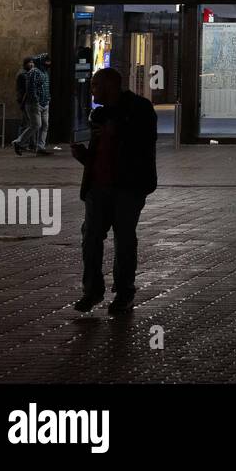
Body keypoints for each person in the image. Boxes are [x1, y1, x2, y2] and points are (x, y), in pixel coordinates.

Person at [69, 67, 157, 314]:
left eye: (96, 84)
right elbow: (101, 154)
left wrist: (117, 132)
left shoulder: (139, 108)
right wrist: (84, 156)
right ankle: (92, 290)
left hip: (128, 186)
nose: (92, 89)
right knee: (91, 237)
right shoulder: (99, 114)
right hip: (98, 186)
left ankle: (124, 291)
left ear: (110, 86)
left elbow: (145, 143)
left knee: (125, 238)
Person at [12, 57, 38, 156]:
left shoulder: (26, 72)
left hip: (25, 100)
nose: (32, 64)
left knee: (30, 123)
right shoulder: (24, 74)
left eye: (32, 62)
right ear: (25, 63)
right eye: (30, 62)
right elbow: (28, 88)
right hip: (25, 101)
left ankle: (30, 144)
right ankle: (21, 144)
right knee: (27, 123)